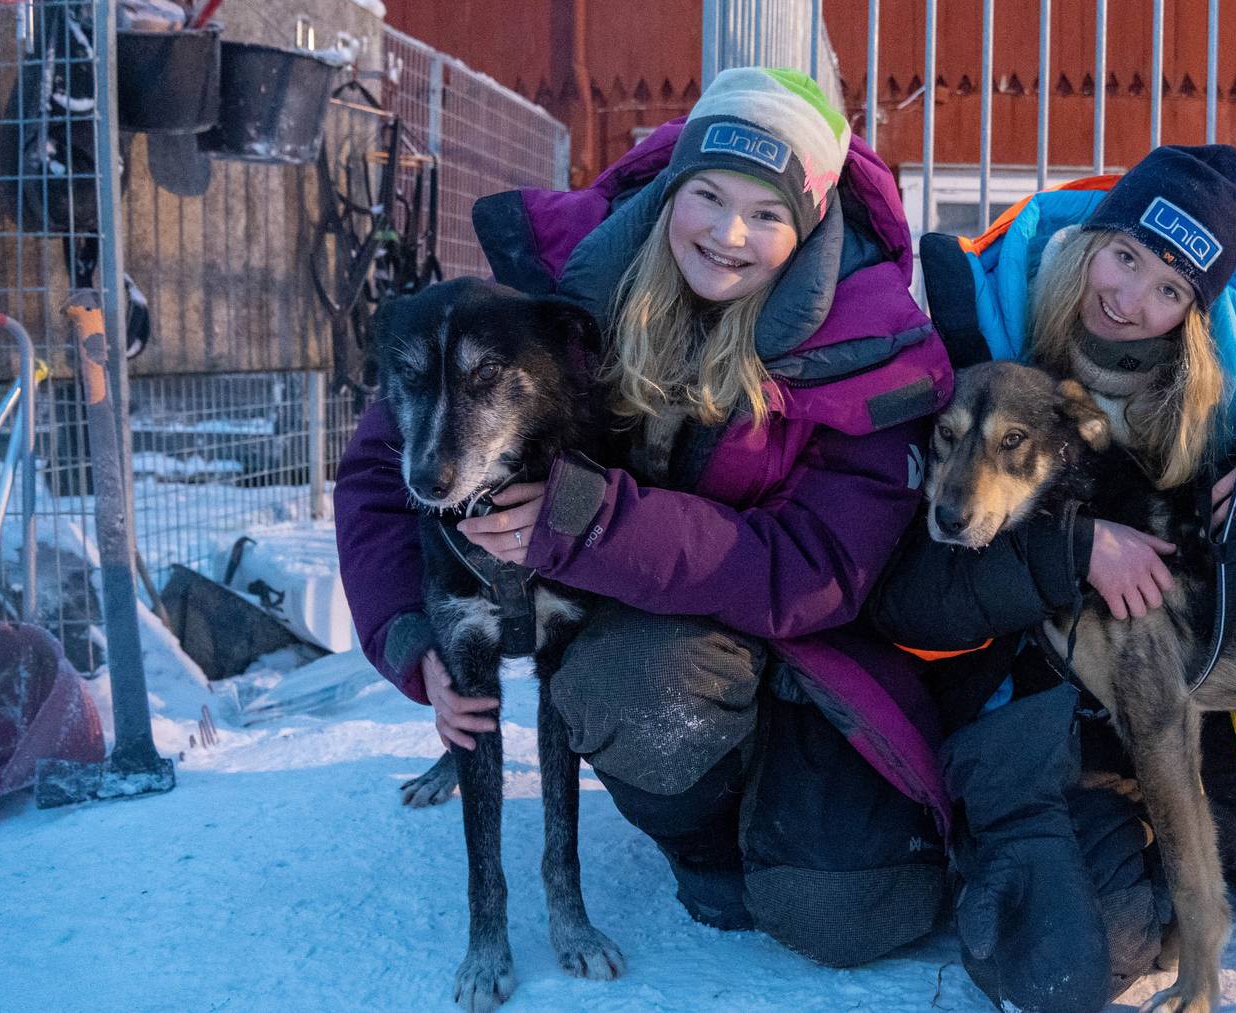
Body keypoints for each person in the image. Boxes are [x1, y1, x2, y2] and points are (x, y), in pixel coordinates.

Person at [334, 67, 957, 968]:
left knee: (846, 908)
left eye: (767, 212)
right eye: (707, 193)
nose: (728, 232)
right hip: (654, 640)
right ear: (672, 188)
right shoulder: (562, 290)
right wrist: (405, 632)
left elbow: (816, 569)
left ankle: (760, 791)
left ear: (813, 222)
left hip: (808, 647)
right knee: (620, 679)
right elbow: (382, 467)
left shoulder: (867, 351)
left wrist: (590, 523)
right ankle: (696, 837)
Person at [870, 144, 1236, 1011]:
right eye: (1122, 258)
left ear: (1201, 305)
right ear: (1093, 238)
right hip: (1039, 700)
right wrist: (1072, 550)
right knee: (1065, 959)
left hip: (1206, 678)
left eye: (1168, 288)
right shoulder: (979, 322)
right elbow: (909, 581)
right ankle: (1102, 843)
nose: (1128, 301)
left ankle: (1193, 830)